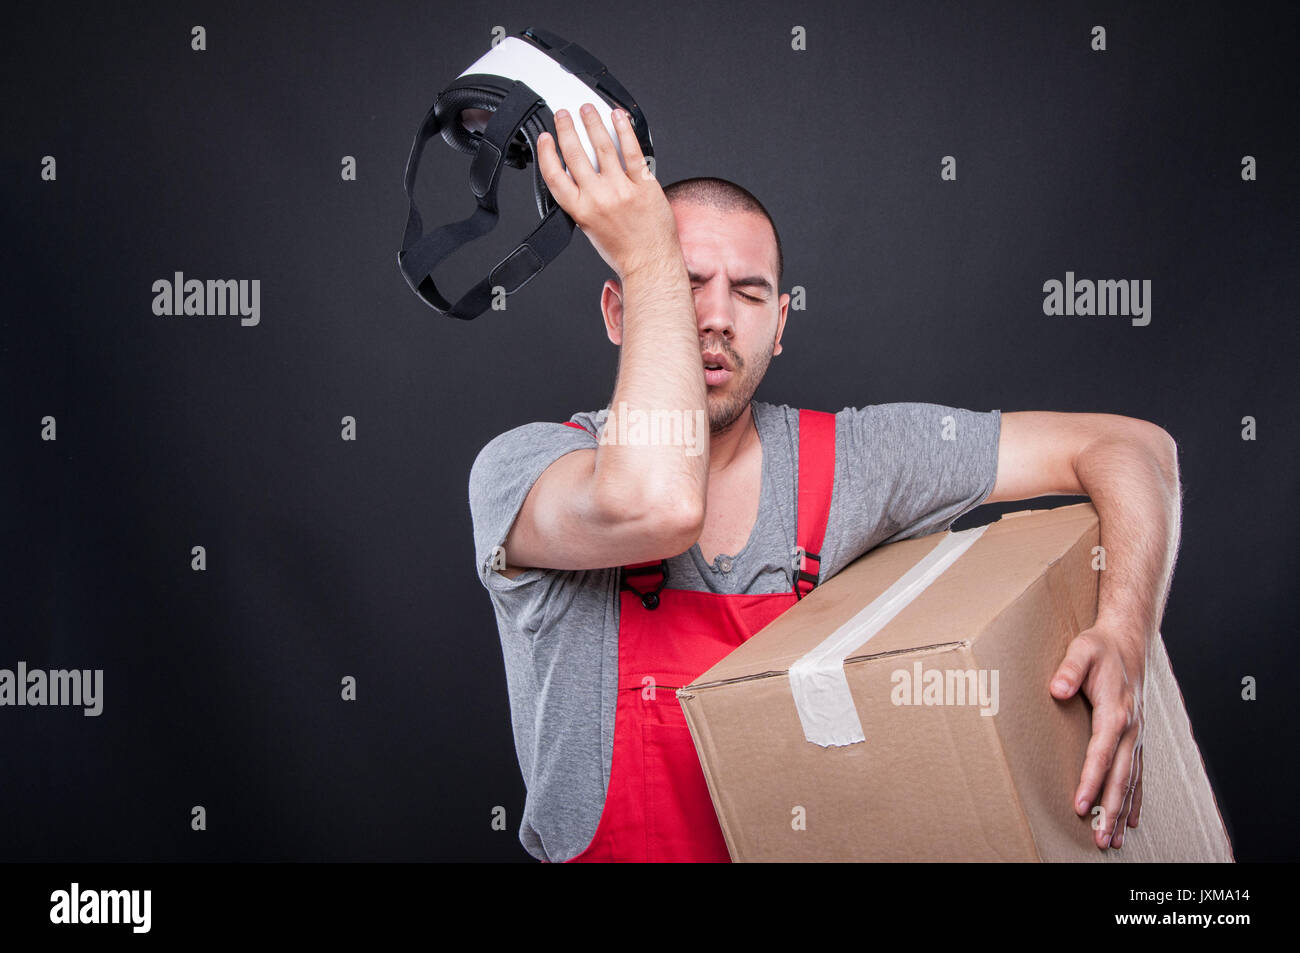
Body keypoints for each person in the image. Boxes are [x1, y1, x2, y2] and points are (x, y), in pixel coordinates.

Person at [468, 102, 1181, 862]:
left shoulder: (852, 461)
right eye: (683, 285)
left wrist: (1127, 636)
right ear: (621, 312)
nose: (714, 317)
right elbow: (658, 503)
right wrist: (645, 256)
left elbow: (1133, 447)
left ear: (779, 325)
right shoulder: (523, 473)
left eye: (746, 294)